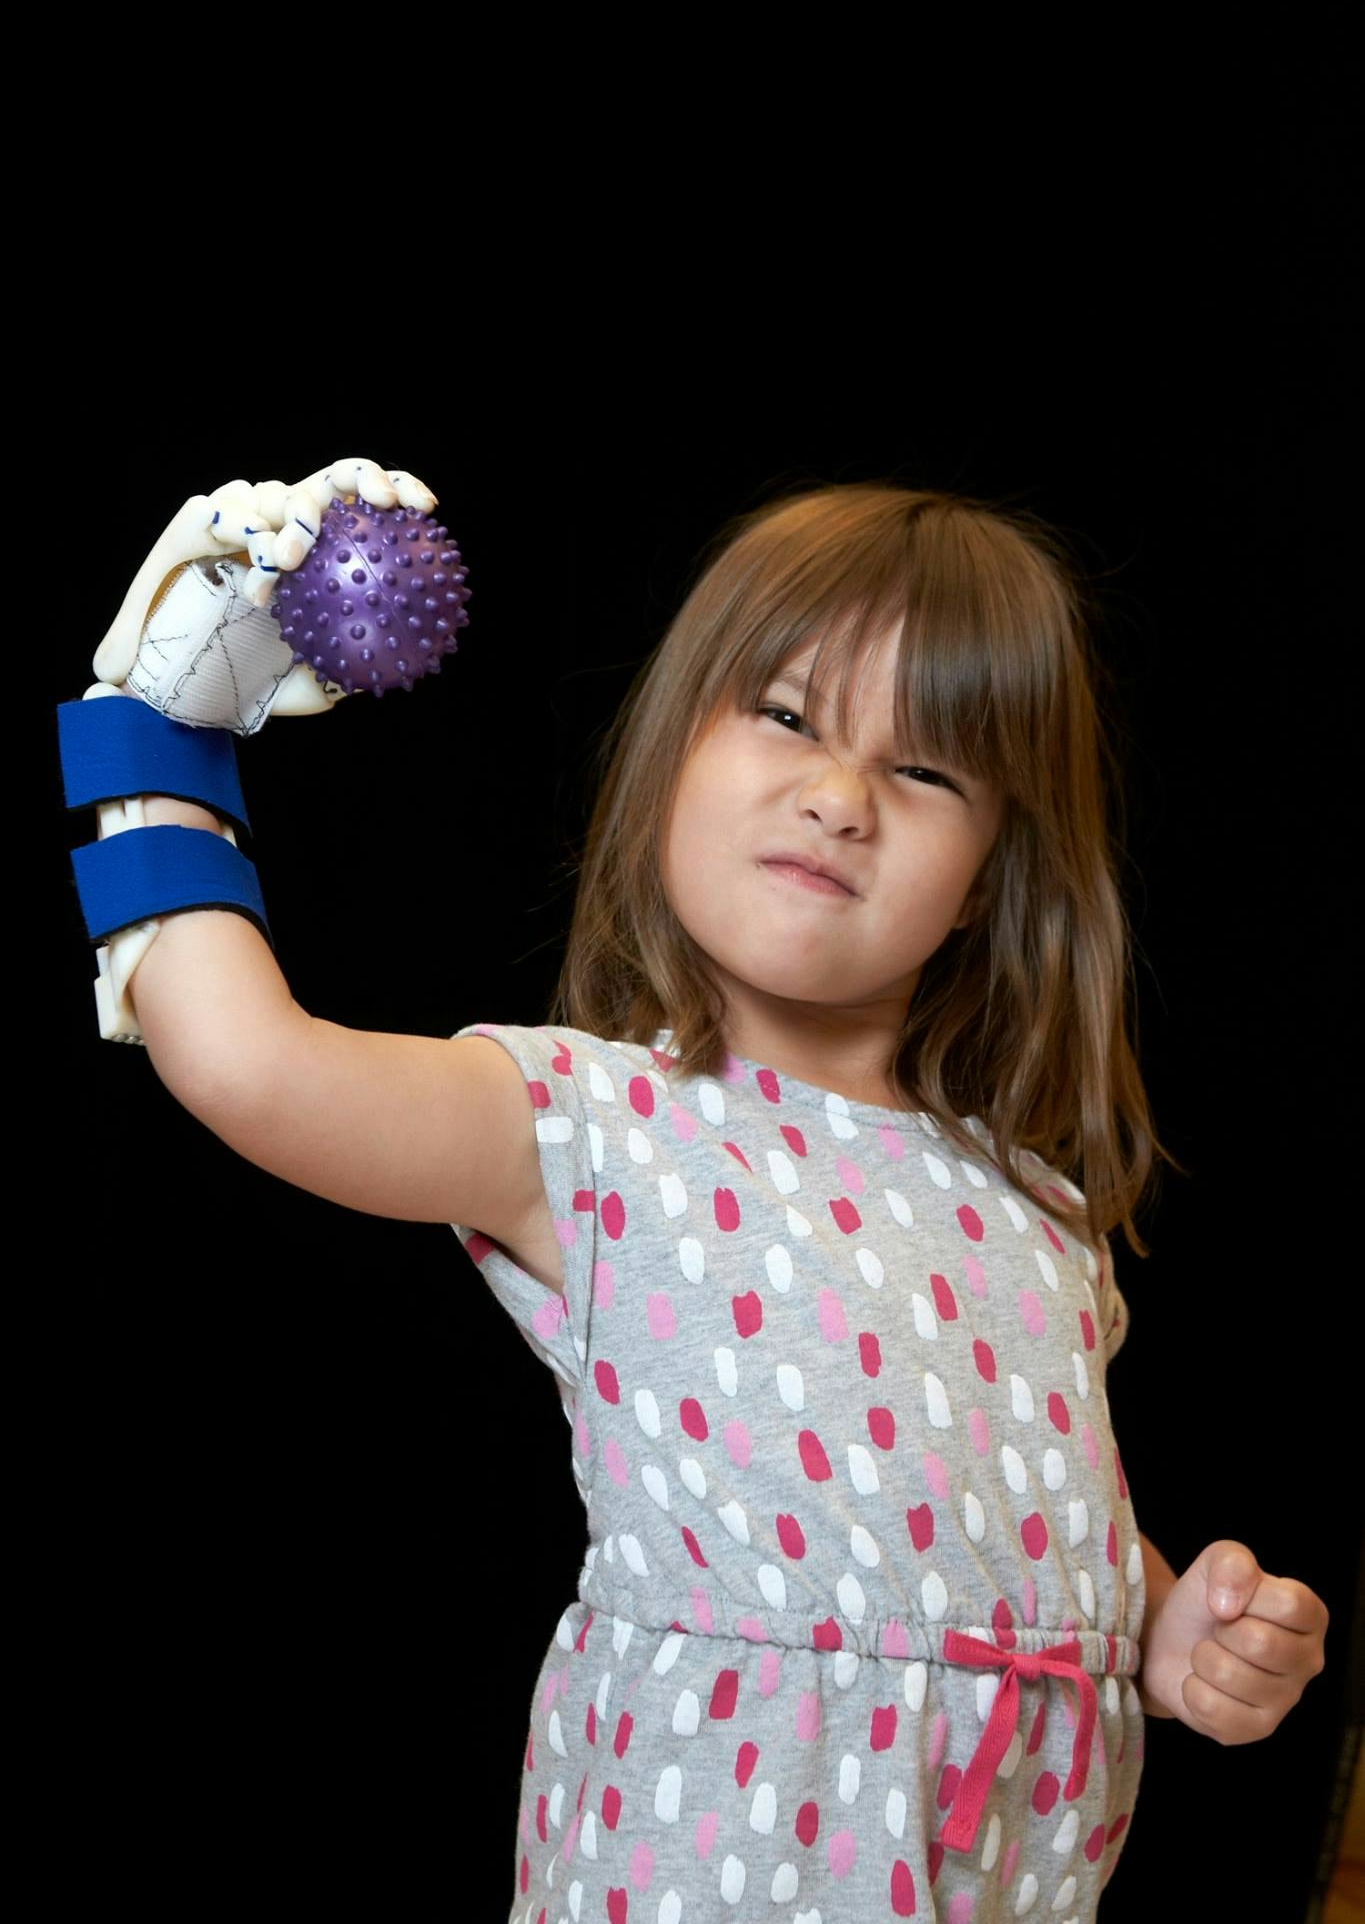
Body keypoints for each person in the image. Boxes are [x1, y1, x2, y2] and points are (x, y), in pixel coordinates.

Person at [70, 474, 1329, 1922]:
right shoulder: (592, 1126)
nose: (838, 795)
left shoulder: (1034, 1206)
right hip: (718, 1855)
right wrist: (155, 741)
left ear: (990, 874)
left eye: (927, 770)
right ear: (673, 753)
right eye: (788, 716)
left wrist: (1172, 1638)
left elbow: (1010, 1518)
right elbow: (245, 1064)